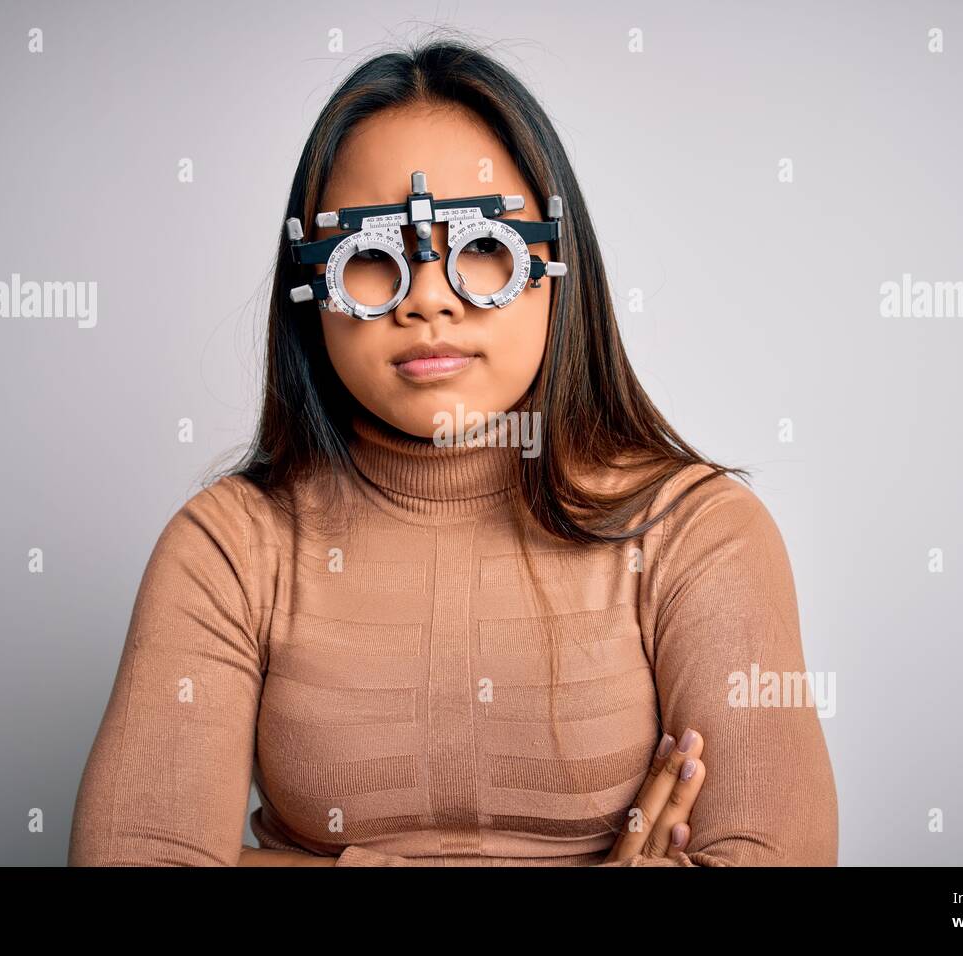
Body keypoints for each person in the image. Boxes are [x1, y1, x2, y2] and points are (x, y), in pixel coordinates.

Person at [67, 36, 838, 867]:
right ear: (313, 287)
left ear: (553, 263)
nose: (429, 299)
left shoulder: (696, 531)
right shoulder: (230, 546)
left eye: (481, 248)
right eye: (372, 258)